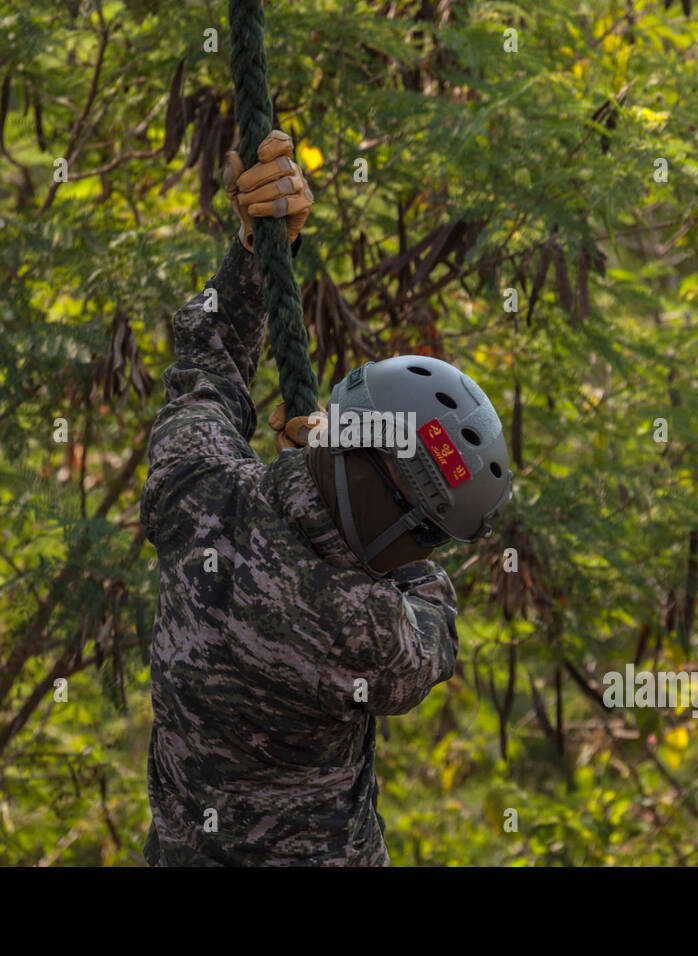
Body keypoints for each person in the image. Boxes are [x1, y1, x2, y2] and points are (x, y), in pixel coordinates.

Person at [140, 130, 512, 865]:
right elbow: (431, 612)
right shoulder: (371, 634)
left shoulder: (198, 490)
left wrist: (253, 250)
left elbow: (204, 369)